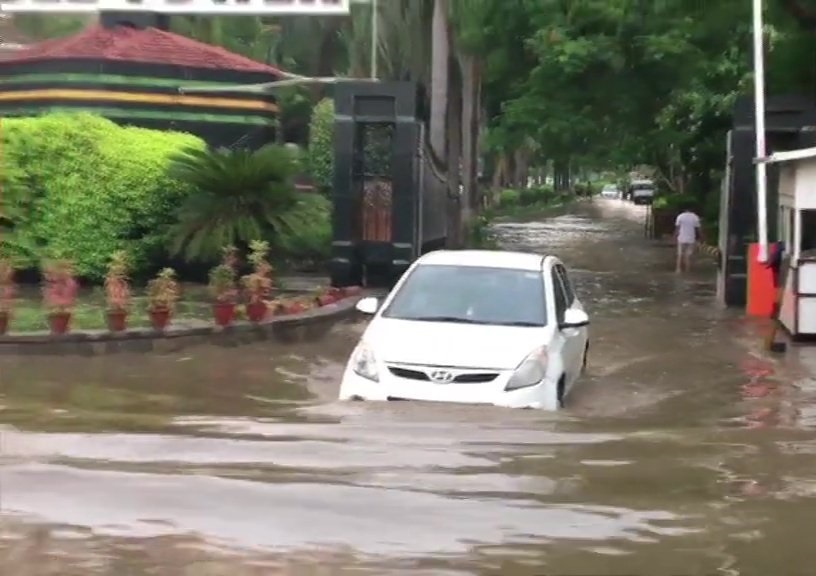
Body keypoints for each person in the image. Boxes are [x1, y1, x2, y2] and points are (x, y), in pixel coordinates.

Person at [674, 203, 703, 273]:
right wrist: (702, 238)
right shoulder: (695, 217)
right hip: (691, 238)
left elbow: (677, 229)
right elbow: (699, 229)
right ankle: (687, 270)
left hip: (681, 238)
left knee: (680, 254)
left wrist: (674, 236)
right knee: (688, 255)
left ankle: (678, 269)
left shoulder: (680, 216)